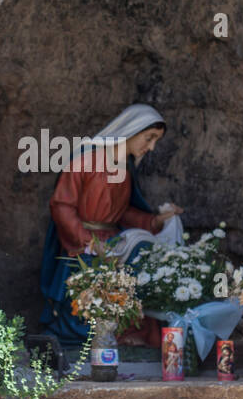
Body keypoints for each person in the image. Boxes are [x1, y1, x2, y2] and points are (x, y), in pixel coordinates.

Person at [39, 104, 184, 346]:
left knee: (142, 264)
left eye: (155, 140)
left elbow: (122, 211)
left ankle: (129, 332)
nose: (151, 147)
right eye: (149, 138)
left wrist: (155, 221)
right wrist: (90, 243)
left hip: (115, 243)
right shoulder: (86, 159)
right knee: (90, 292)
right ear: (132, 130)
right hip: (84, 245)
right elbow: (62, 206)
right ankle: (90, 338)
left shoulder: (125, 168)